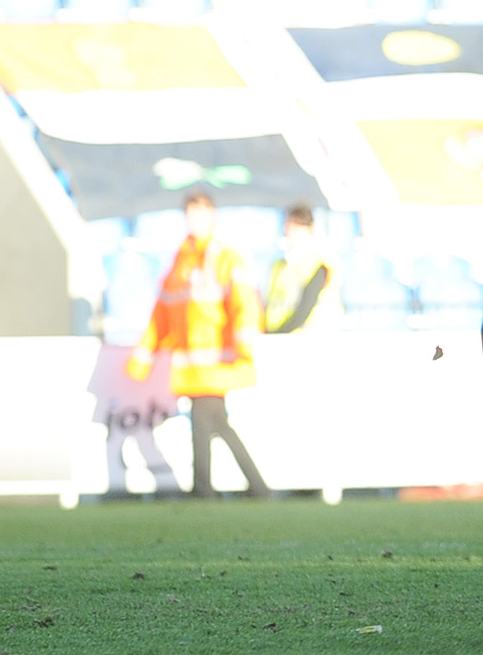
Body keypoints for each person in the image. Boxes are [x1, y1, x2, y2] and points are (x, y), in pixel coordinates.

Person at [125, 190, 269, 498]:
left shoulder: (225, 256)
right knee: (213, 422)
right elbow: (161, 315)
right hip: (191, 365)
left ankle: (208, 488)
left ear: (213, 215)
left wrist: (244, 347)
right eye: (191, 214)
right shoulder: (180, 262)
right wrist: (142, 356)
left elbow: (245, 304)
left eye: (201, 214)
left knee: (207, 421)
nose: (195, 221)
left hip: (218, 361)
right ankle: (247, 488)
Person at [263, 203, 336, 333]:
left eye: (297, 226)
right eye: (289, 224)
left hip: (307, 340)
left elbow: (305, 310)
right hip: (279, 338)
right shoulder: (279, 266)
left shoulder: (319, 264)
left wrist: (277, 334)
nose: (291, 231)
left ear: (310, 229)